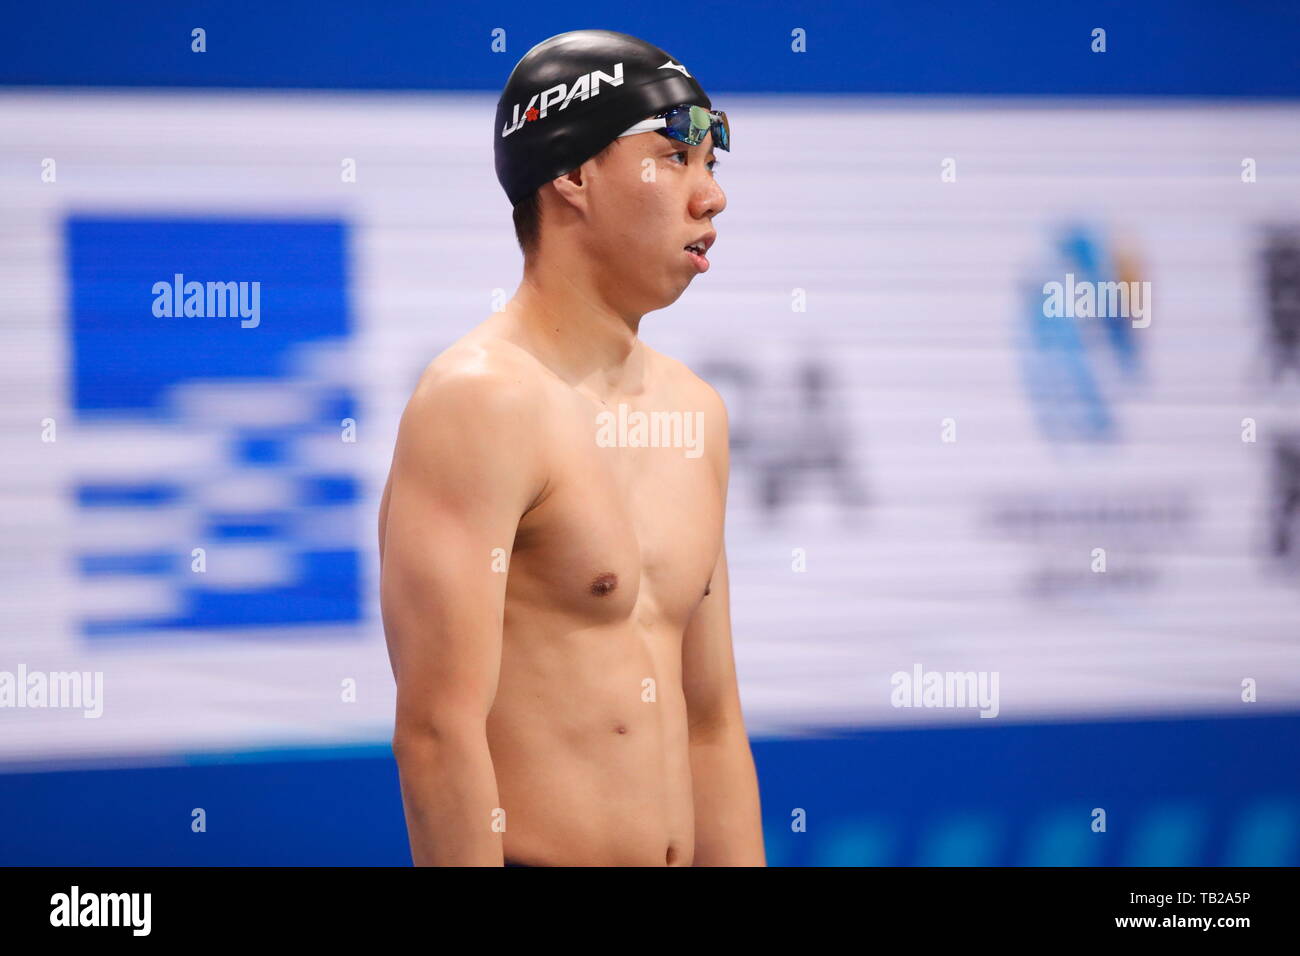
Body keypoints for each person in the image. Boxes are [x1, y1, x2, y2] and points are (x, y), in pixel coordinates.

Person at [378, 29, 764, 866]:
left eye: (714, 164)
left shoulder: (696, 413)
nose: (712, 198)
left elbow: (712, 721)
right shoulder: (480, 401)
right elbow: (439, 731)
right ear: (572, 174)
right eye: (675, 157)